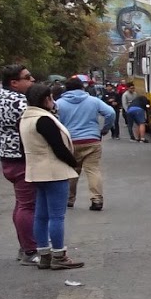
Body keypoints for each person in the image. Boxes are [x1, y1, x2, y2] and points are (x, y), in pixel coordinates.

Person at [17, 80, 84, 270]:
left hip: (35, 171)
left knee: (41, 215)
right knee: (57, 216)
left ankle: (44, 254)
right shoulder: (44, 119)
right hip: (54, 171)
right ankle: (59, 255)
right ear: (46, 99)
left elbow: (22, 148)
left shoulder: (24, 119)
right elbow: (58, 147)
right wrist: (73, 162)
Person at [0, 64, 39, 265]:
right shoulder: (19, 101)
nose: (32, 80)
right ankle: (30, 250)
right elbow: (37, 122)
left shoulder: (2, 96)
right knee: (28, 206)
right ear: (14, 82)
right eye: (27, 77)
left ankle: (25, 245)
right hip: (20, 157)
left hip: (9, 155)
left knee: (22, 203)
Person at [55, 76, 116, 211]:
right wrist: (105, 129)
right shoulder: (93, 101)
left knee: (72, 171)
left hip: (71, 141)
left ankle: (69, 199)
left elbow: (54, 120)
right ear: (82, 87)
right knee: (93, 170)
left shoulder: (59, 103)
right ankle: (97, 199)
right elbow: (110, 113)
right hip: (92, 139)